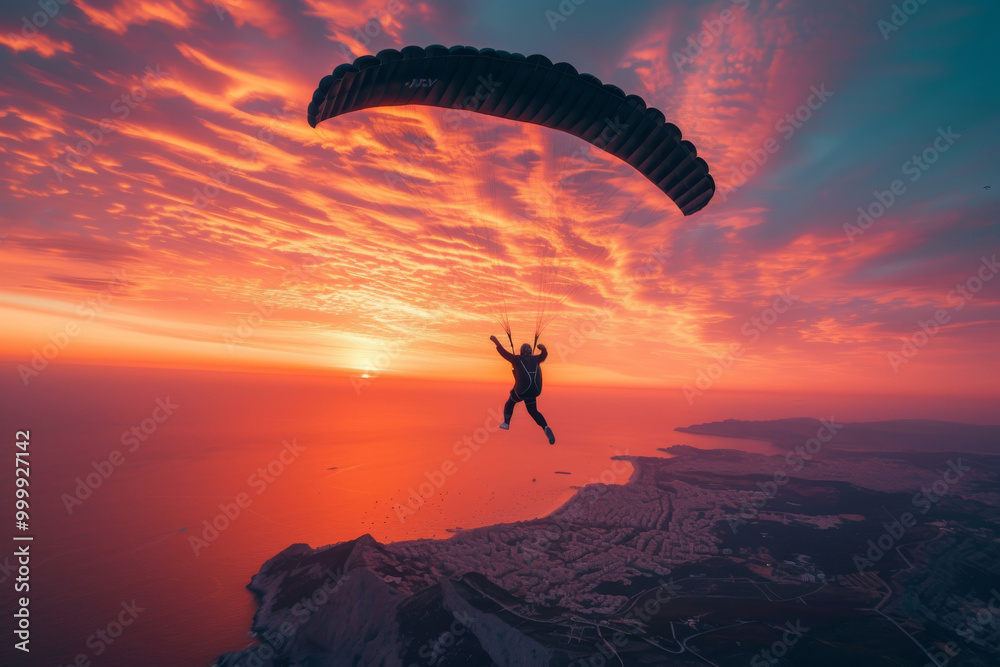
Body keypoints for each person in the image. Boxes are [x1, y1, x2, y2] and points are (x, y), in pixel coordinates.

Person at [490, 336, 556, 444]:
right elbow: (544, 355)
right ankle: (545, 427)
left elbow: (503, 353)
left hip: (521, 391)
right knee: (533, 411)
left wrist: (495, 341)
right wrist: (543, 349)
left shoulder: (517, 359)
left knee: (510, 402)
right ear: (530, 353)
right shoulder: (536, 359)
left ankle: (506, 423)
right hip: (534, 391)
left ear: (521, 352)